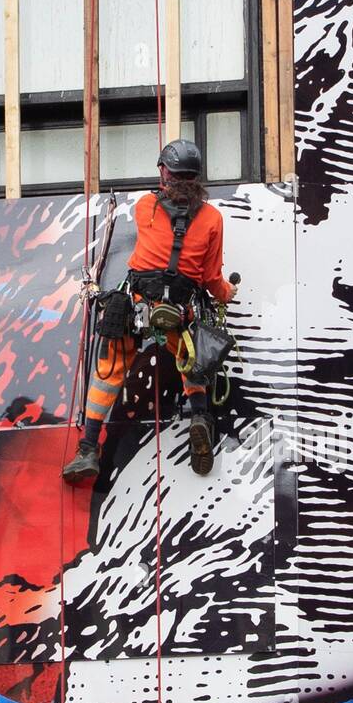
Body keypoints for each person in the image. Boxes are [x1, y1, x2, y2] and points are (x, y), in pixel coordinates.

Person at [61, 140, 237, 483]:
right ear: (197, 175)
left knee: (110, 369)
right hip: (179, 309)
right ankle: (200, 418)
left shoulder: (146, 207)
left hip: (137, 304)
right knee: (192, 363)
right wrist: (226, 293)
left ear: (164, 173)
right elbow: (211, 277)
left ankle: (87, 448)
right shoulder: (213, 218)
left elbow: (159, 241)